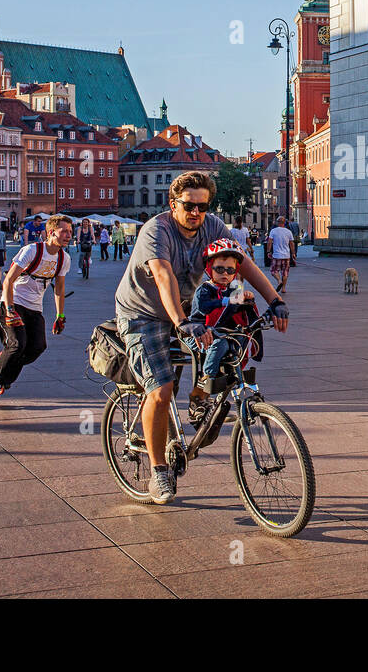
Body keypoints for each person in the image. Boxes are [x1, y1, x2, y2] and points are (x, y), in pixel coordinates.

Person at [115, 170, 289, 504]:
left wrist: (276, 301)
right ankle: (158, 472)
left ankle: (199, 397)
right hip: (143, 313)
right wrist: (181, 321)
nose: (196, 213)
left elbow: (243, 265)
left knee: (223, 346)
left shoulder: (212, 227)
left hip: (185, 308)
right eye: (189, 205)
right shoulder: (157, 230)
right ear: (173, 203)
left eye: (202, 206)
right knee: (162, 389)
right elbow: (163, 275)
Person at [0, 214, 72, 410]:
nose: (68, 235)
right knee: (17, 345)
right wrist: (10, 309)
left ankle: (1, 365)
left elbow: (59, 288)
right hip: (14, 303)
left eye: (70, 232)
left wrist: (60, 316)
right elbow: (8, 280)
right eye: (64, 231)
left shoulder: (64, 258)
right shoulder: (31, 250)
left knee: (37, 347)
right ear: (51, 232)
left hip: (34, 308)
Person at [185, 239, 257, 426]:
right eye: (220, 269)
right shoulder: (205, 289)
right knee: (219, 344)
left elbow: (240, 304)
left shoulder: (233, 288)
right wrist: (226, 302)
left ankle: (233, 385)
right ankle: (203, 390)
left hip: (222, 332)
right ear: (209, 268)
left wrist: (247, 297)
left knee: (239, 341)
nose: (225, 274)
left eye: (230, 270)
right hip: (198, 333)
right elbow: (205, 307)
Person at [266, 215, 294, 293]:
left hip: (277, 255)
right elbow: (291, 243)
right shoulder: (288, 232)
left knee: (273, 270)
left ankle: (279, 281)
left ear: (278, 222)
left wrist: (268, 251)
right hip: (286, 255)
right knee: (285, 272)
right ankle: (284, 289)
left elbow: (269, 242)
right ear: (284, 223)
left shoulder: (273, 231)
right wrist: (293, 253)